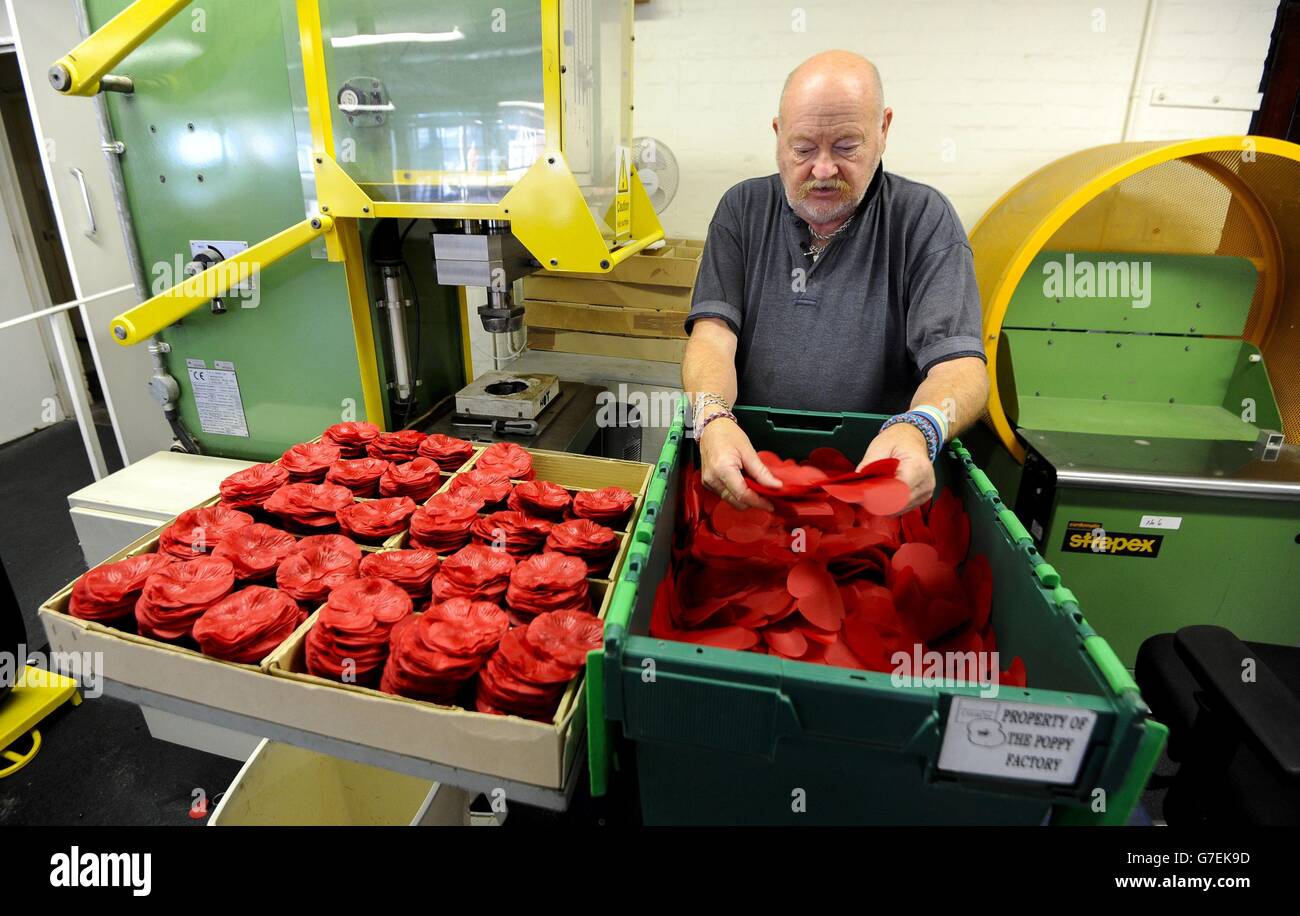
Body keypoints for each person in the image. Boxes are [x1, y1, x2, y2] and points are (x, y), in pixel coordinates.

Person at [682, 50, 989, 513]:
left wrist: (921, 427)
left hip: (873, 487)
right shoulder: (741, 210)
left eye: (846, 146)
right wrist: (711, 417)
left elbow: (959, 366)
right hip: (749, 477)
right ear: (777, 135)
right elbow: (713, 337)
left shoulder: (924, 220)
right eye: (803, 149)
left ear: (884, 130)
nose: (823, 170)